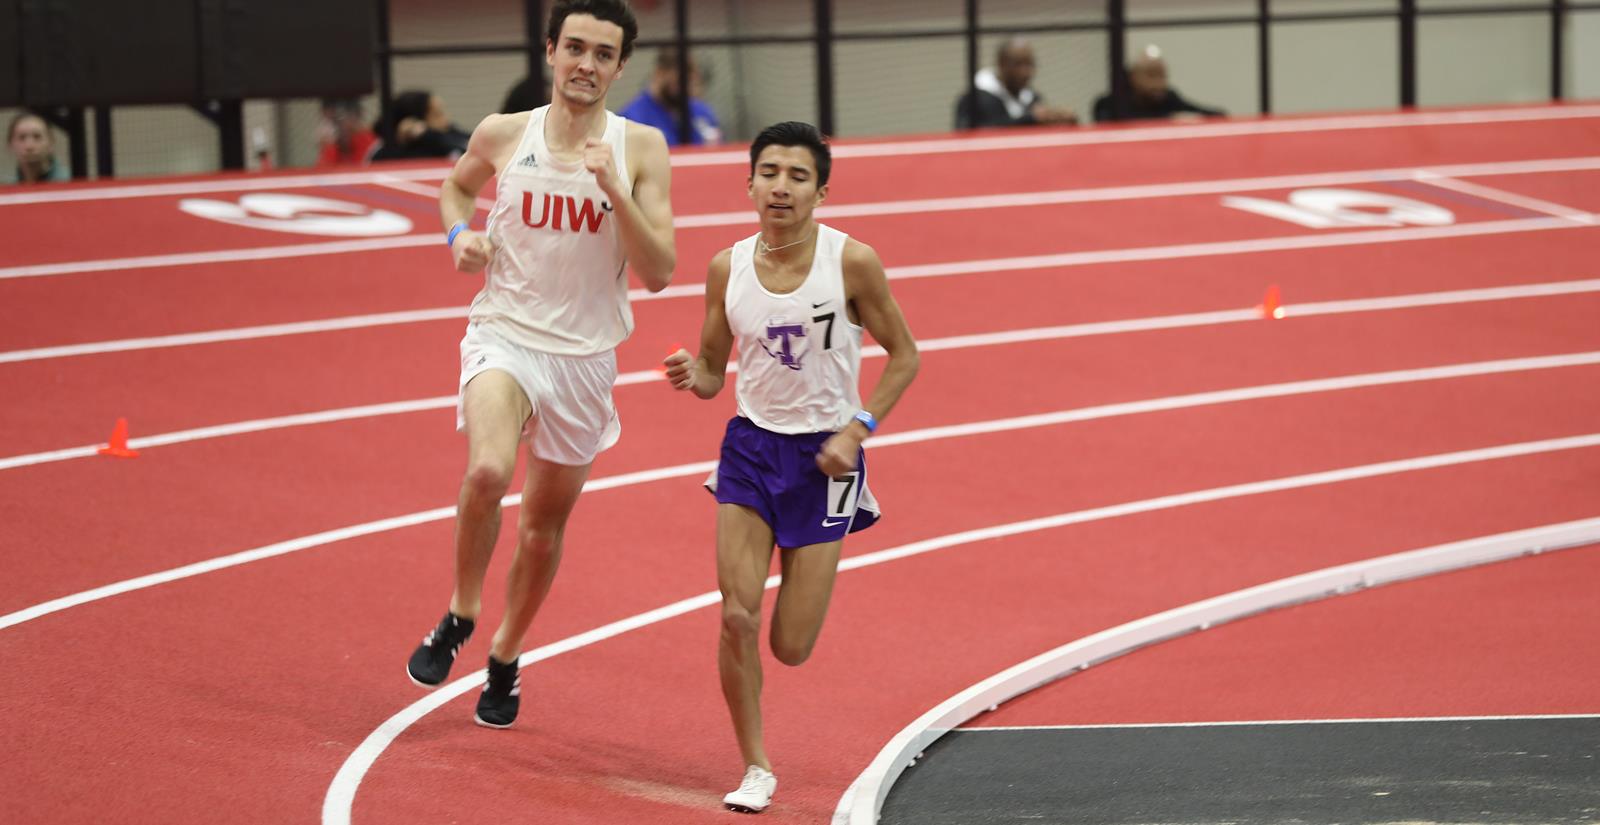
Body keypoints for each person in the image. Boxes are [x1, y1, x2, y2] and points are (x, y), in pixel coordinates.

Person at [404, 0, 677, 730]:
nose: (586, 64)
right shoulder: (504, 132)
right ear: (551, 51)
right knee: (489, 471)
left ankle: (506, 651)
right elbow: (455, 186)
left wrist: (615, 188)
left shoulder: (642, 146)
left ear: (621, 67)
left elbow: (659, 272)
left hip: (585, 360)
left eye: (603, 54)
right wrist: (459, 233)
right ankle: (462, 608)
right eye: (575, 48)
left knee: (541, 527)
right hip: (506, 335)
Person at [662, 121, 919, 813]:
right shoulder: (727, 267)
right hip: (750, 449)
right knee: (736, 616)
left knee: (791, 644)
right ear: (747, 183)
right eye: (769, 172)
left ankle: (791, 613)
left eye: (797, 175)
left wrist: (858, 427)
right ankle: (755, 765)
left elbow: (906, 354)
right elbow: (716, 369)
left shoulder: (852, 262)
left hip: (824, 461)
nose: (781, 186)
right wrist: (696, 371)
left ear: (821, 191)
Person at [954, 38, 1077, 129]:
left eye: (1030, 64)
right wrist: (1030, 119)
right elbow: (968, 135)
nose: (1025, 72)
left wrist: (1057, 120)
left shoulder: (1032, 97)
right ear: (1001, 64)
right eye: (1018, 64)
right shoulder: (974, 99)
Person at [1093, 45, 1225, 123]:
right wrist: (1170, 120)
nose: (1159, 83)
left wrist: (1196, 119)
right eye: (1151, 74)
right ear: (1132, 76)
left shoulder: (1169, 98)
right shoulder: (1108, 103)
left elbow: (1216, 114)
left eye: (1163, 75)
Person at [618, 48, 722, 146]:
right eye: (679, 81)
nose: (685, 89)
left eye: (689, 81)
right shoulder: (633, 118)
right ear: (660, 73)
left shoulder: (701, 112)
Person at [370, 89, 471, 161]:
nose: (446, 119)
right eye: (437, 115)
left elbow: (472, 146)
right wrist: (425, 135)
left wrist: (428, 135)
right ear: (414, 122)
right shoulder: (387, 154)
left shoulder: (448, 134)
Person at [6, 112, 69, 184]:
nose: (29, 146)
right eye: (22, 138)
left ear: (51, 142)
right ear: (10, 145)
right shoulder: (6, 189)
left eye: (37, 137)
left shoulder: (71, 182)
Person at [315, 98, 378, 166]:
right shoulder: (332, 148)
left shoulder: (372, 146)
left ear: (354, 117)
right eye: (325, 122)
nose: (330, 129)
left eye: (335, 121)